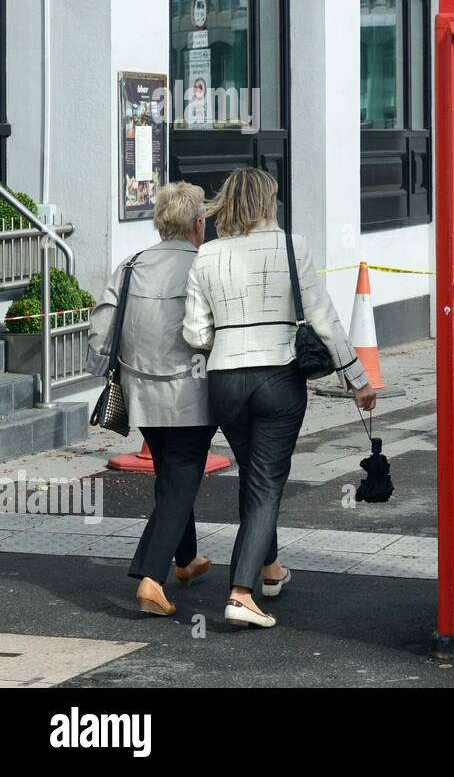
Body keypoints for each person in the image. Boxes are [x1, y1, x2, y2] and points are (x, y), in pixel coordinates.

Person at [183, 168, 377, 629]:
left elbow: (193, 331)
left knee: (254, 473)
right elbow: (324, 319)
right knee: (267, 482)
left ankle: (268, 569)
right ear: (268, 202)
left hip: (225, 380)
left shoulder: (206, 254)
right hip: (278, 378)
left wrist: (227, 340)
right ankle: (241, 592)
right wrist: (357, 378)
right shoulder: (293, 245)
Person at [86, 182, 216, 618]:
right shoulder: (206, 264)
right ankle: (150, 578)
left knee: (172, 475)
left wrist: (97, 367)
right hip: (192, 391)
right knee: (182, 478)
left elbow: (103, 325)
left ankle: (186, 559)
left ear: (160, 222)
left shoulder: (131, 265)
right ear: (199, 223)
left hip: (140, 393)